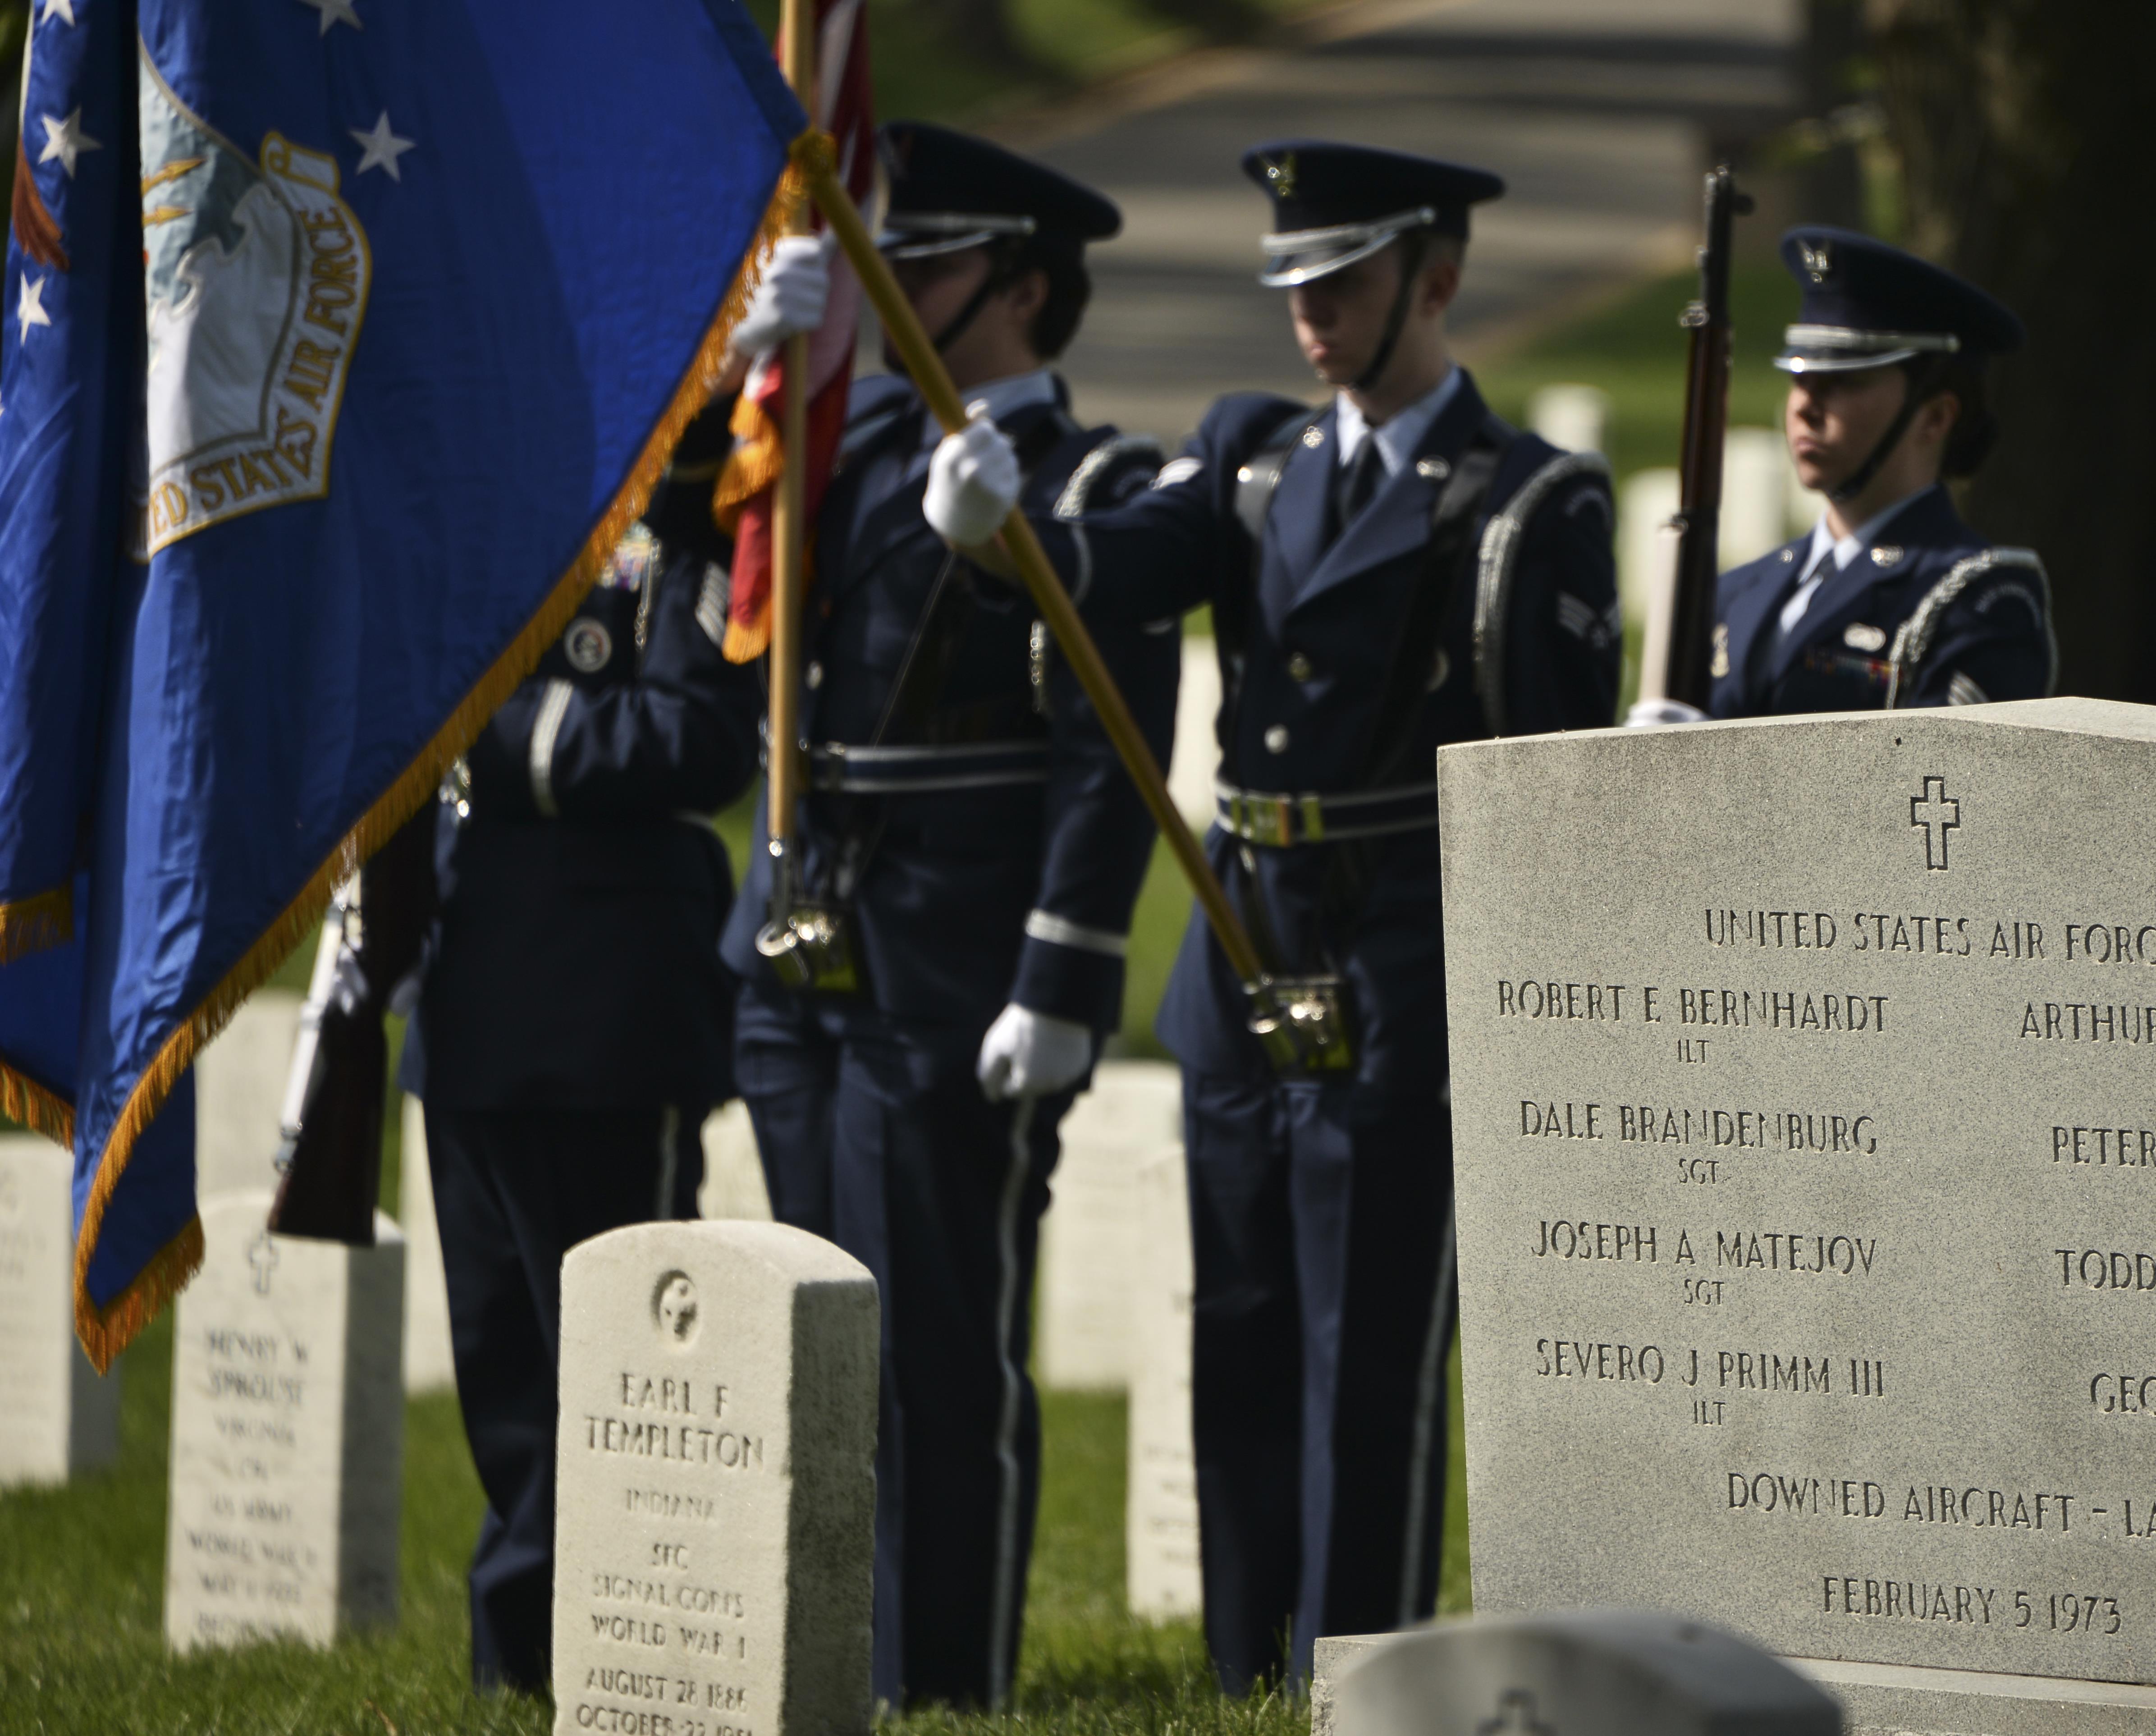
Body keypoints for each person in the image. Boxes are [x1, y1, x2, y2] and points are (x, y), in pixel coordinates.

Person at [921, 138, 1622, 1694]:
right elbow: (1122, 569)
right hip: (1241, 946)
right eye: (1293, 286)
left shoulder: (1520, 502)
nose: (1308, 316)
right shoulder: (1250, 454)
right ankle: (1249, 1680)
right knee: (1236, 1329)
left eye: (1343, 283)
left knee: (1361, 1358)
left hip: (1389, 958)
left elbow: (1552, 790)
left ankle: (1354, 1681)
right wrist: (1004, 541)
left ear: (1431, 281)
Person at [719, 121, 1174, 1710]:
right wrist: (744, 400)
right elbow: (728, 619)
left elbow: (1107, 745)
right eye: (883, 261)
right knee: (815, 1351)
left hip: (949, 963)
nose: (888, 282)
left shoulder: (1092, 485)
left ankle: (942, 1684)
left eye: (924, 264)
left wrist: (1062, 969)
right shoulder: (838, 453)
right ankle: (831, 1666)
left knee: (928, 1347)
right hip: (806, 944)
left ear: (1022, 289)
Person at [399, 479, 761, 1686]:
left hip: (607, 1007)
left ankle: (624, 1650)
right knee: (502, 1355)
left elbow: (701, 736)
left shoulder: (694, 536)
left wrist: (487, 730)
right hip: (465, 987)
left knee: (619, 1371)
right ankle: (522, 1658)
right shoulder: (494, 507)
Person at [1632, 226, 2055, 724]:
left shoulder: (1979, 598)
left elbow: (1941, 790)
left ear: (1936, 417)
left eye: (1844, 381)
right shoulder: (1738, 590)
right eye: (1799, 378)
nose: (1807, 405)